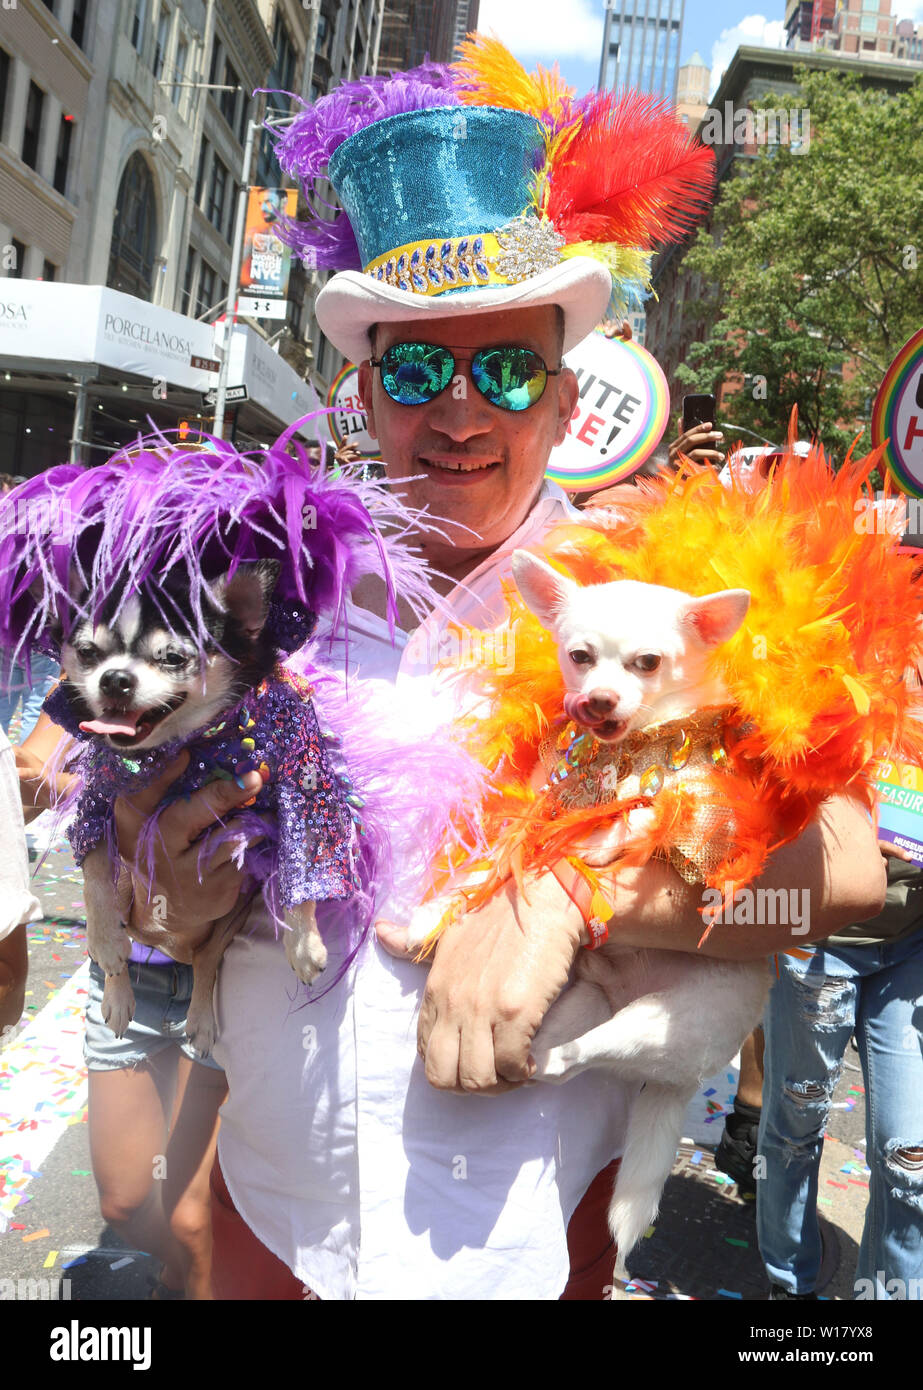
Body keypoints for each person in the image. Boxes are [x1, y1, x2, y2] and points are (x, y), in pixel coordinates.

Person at [33, 42, 886, 1300]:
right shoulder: (252, 594)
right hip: (276, 1220)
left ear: (558, 397)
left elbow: (836, 890)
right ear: (364, 390)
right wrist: (168, 895)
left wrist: (573, 903)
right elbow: (147, 893)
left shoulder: (652, 603)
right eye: (420, 368)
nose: (461, 414)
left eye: (502, 369)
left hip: (532, 1243)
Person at [18, 710, 226, 1301]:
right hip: (123, 979)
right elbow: (32, 774)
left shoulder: (232, 673)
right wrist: (88, 789)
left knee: (199, 1211)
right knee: (128, 1198)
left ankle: (203, 1278)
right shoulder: (93, 678)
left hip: (221, 972)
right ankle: (188, 1272)